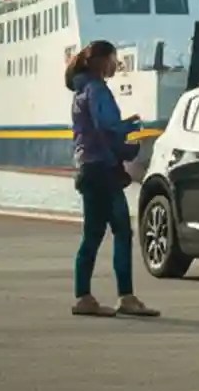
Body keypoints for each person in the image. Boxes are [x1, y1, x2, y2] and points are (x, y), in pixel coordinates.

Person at [66, 40, 160, 318]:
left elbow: (95, 129)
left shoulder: (81, 90)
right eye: (113, 59)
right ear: (102, 61)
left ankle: (84, 296)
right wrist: (131, 142)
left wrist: (123, 126)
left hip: (88, 168)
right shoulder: (97, 89)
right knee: (122, 231)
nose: (116, 64)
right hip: (103, 169)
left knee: (92, 235)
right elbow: (107, 129)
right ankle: (126, 296)